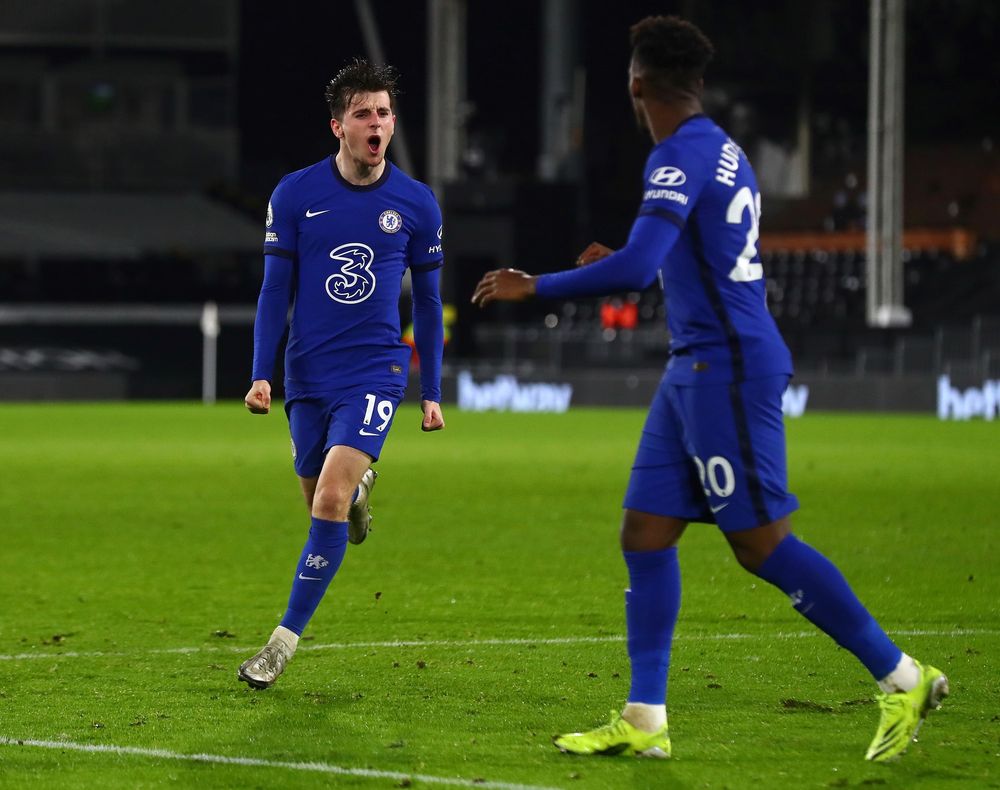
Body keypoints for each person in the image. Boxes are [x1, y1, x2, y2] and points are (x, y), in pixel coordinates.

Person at [472, 16, 946, 762]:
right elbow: (685, 259)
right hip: (694, 366)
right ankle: (645, 717)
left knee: (760, 545)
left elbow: (633, 272)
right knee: (646, 530)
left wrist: (533, 284)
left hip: (724, 367)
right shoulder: (723, 151)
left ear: (635, 86)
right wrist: (634, 257)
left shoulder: (676, 157)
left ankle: (902, 676)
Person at [239, 59, 446, 690]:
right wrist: (261, 373)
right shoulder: (296, 194)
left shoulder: (416, 203)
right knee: (321, 505)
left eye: (384, 112)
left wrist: (431, 390)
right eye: (364, 114)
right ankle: (358, 496)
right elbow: (276, 291)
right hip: (308, 374)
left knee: (325, 496)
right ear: (339, 127)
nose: (377, 123)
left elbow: (431, 303)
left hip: (377, 370)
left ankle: (280, 643)